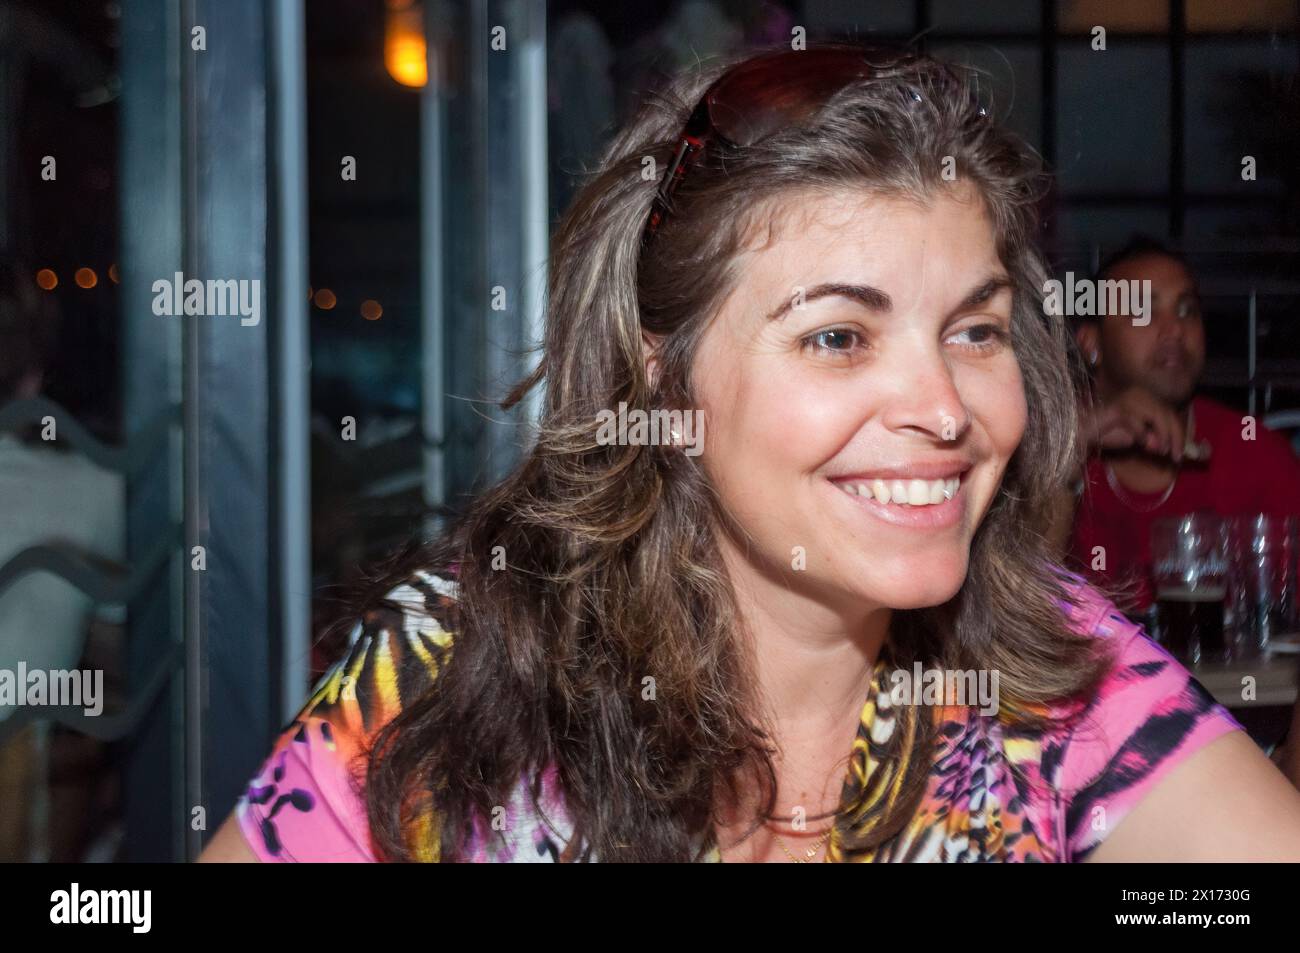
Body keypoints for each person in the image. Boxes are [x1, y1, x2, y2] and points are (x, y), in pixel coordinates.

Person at [202, 44, 1300, 863]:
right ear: (661, 376)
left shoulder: (1039, 666)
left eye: (974, 328)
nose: (943, 406)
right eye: (837, 336)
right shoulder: (463, 671)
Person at [1056, 237, 1300, 612]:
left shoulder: (1256, 454)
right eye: (1144, 311)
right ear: (1092, 345)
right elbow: (1014, 607)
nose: (1174, 330)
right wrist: (1070, 455)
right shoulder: (1046, 453)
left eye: (1187, 310)